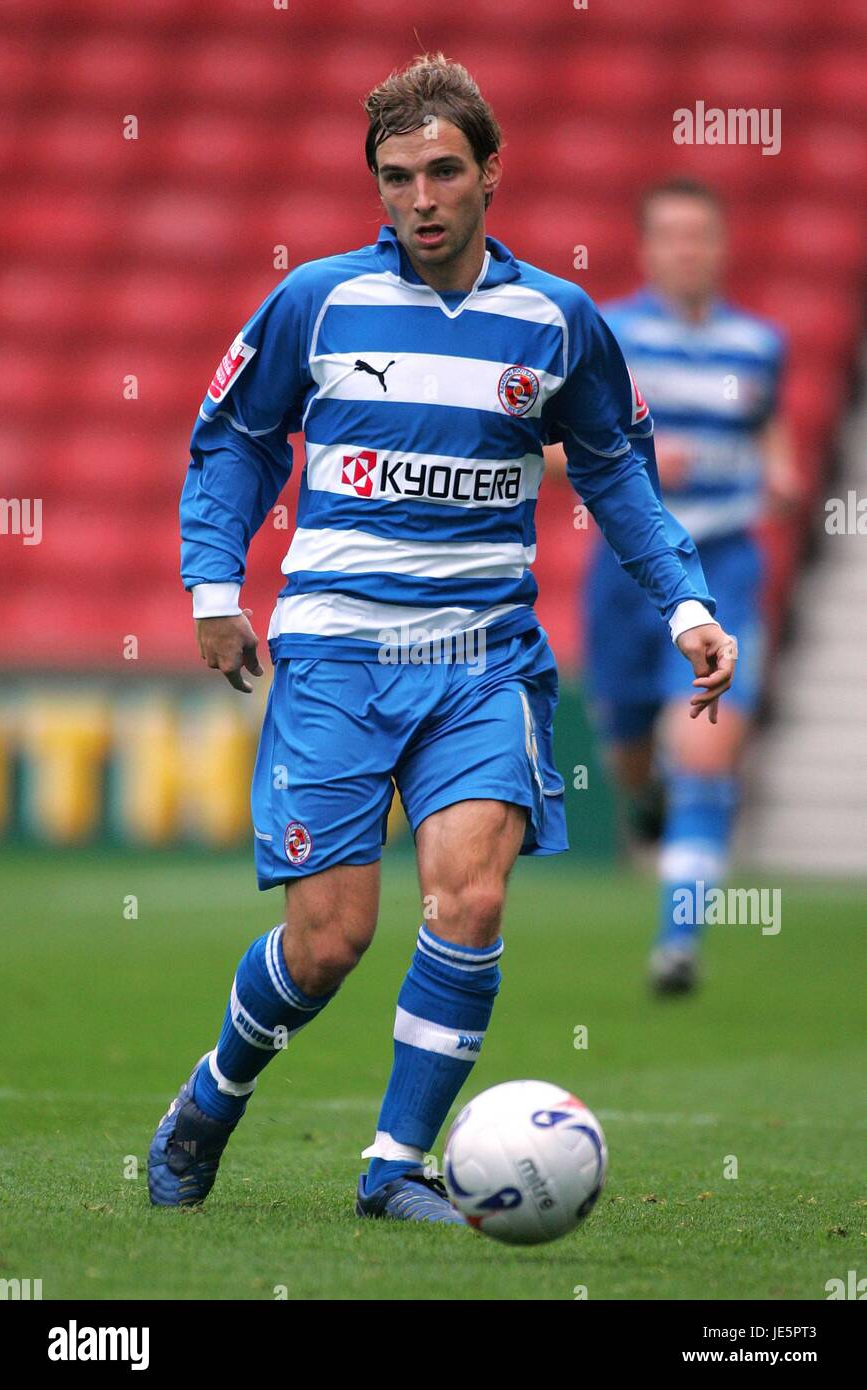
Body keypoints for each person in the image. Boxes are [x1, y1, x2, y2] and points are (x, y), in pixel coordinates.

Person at [148, 58, 735, 1221]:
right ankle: (215, 1091)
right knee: (327, 943)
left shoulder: (558, 322)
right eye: (396, 177)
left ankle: (392, 1168)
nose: (419, 198)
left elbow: (616, 473)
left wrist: (686, 603)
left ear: (489, 173)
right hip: (334, 660)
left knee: (467, 900)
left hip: (481, 660)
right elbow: (234, 443)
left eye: (442, 172)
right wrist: (213, 586)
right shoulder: (316, 300)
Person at [546, 177, 796, 995]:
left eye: (701, 236)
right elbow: (546, 449)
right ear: (648, 248)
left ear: (721, 248)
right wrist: (630, 468)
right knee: (623, 743)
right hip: (628, 568)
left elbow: (770, 433)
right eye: (672, 236)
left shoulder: (757, 345)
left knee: (705, 745)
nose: (688, 250)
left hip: (721, 562)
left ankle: (677, 941)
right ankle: (640, 794)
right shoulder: (607, 336)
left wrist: (784, 476)